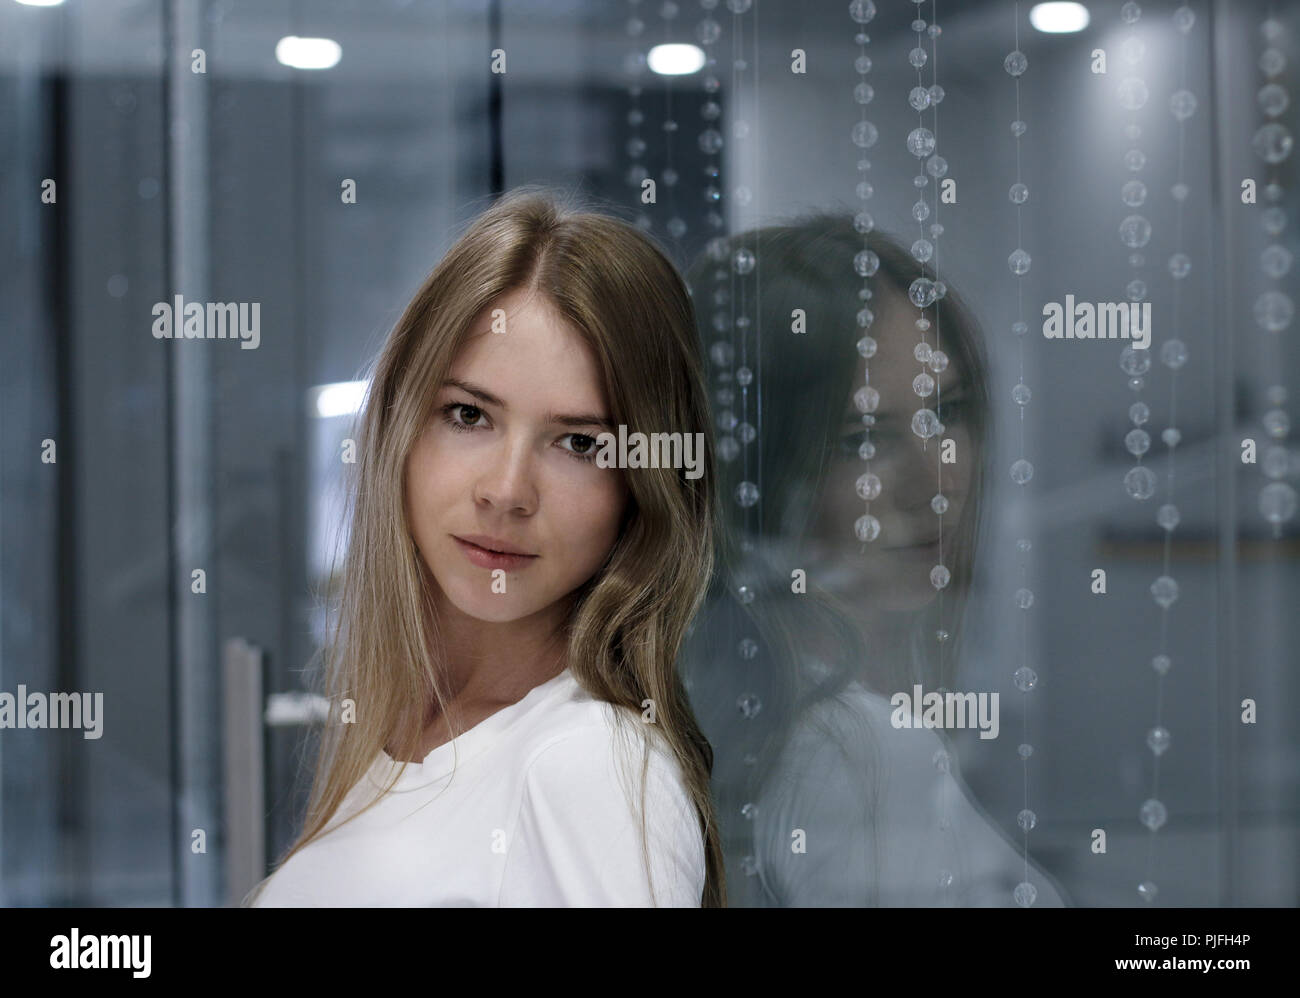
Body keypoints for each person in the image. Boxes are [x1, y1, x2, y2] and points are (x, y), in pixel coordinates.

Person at [245, 186, 724, 907]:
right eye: (468, 414)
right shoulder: (408, 729)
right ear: (400, 427)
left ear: (641, 484)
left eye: (577, 443)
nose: (506, 490)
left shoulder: (585, 764)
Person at [681, 215, 1067, 906]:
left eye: (945, 411)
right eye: (861, 438)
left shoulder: (748, 722)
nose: (935, 480)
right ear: (760, 479)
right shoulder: (862, 753)